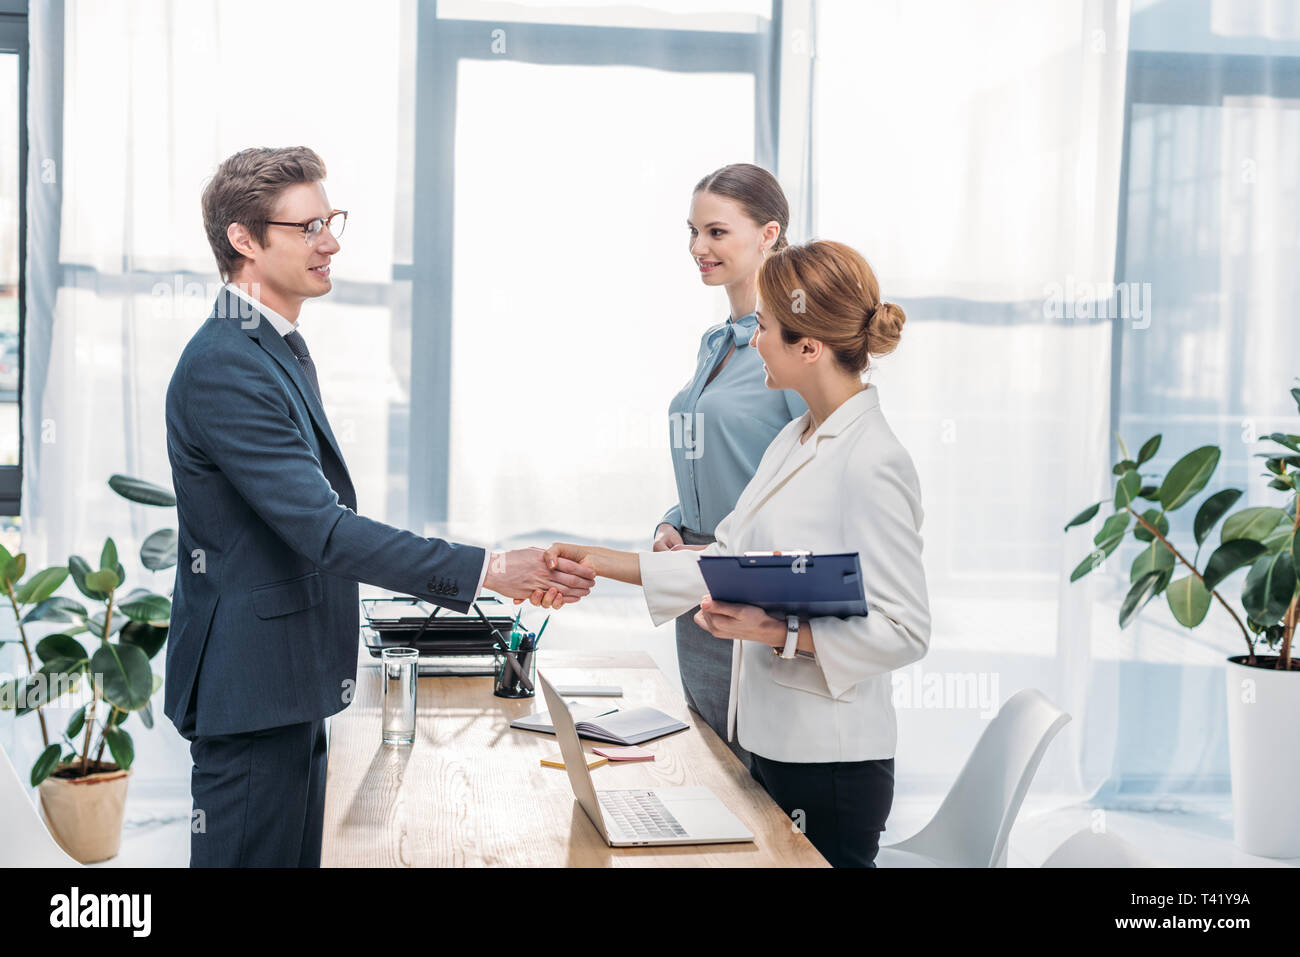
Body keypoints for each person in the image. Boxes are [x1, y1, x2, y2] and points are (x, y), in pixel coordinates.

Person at [164, 146, 595, 867]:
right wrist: (491, 567)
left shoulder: (268, 346)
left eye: (330, 221)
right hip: (253, 689)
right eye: (307, 227)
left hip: (284, 682)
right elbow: (322, 530)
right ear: (244, 239)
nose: (330, 241)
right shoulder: (226, 365)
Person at [538, 239, 930, 867]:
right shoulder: (795, 438)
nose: (752, 342)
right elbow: (723, 558)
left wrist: (777, 631)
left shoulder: (873, 460)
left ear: (810, 346)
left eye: (767, 327)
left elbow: (905, 630)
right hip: (773, 741)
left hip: (830, 763)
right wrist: (599, 561)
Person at [653, 164, 807, 769]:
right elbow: (722, 460)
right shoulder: (717, 342)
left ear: (769, 234)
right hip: (695, 576)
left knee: (755, 784)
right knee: (713, 770)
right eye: (692, 232)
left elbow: (815, 469)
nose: (697, 248)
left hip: (756, 588)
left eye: (716, 232)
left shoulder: (793, 341)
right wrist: (673, 521)